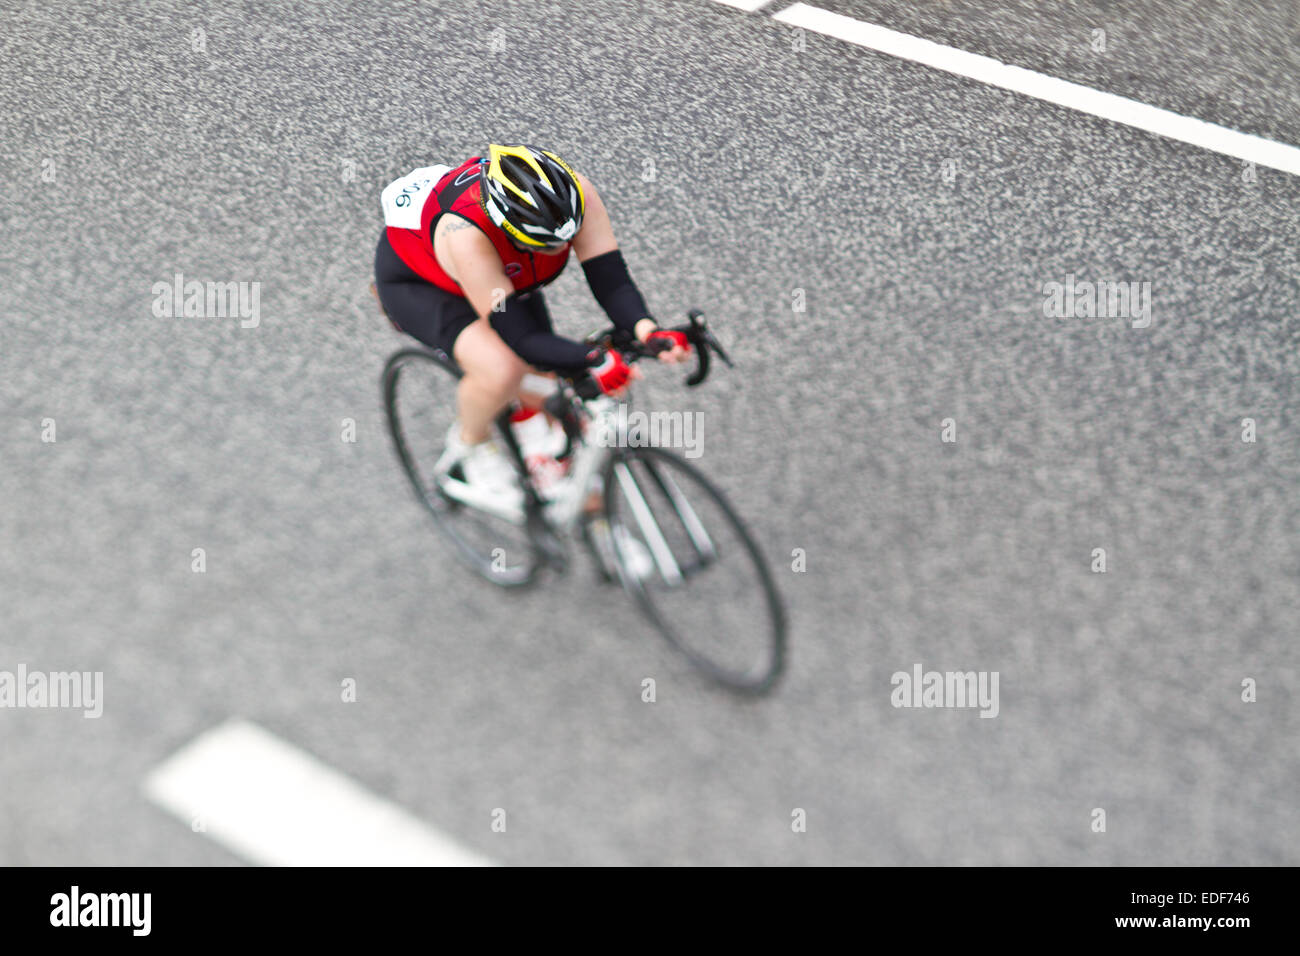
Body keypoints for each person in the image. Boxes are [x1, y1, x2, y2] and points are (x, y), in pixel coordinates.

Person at [374, 144, 689, 509]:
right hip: (424, 285)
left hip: (504, 277)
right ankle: (469, 447)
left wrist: (648, 332)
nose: (560, 249)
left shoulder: (577, 195)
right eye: (545, 244)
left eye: (565, 240)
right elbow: (521, 338)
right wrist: (595, 358)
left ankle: (582, 508)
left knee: (556, 384)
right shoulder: (465, 234)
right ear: (505, 225)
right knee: (502, 369)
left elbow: (611, 280)